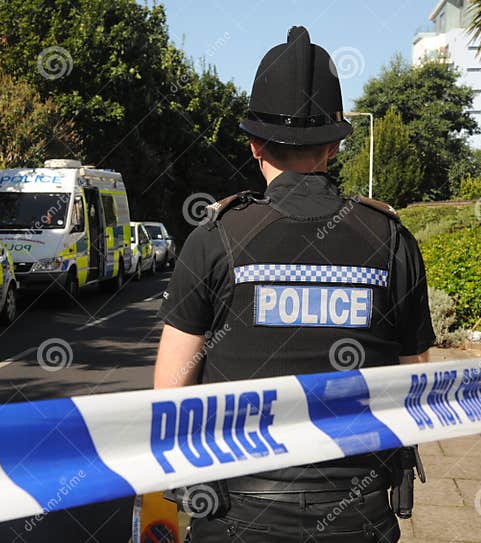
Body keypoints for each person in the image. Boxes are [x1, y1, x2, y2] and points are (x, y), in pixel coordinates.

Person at [154, 26, 435, 542]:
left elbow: (170, 393)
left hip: (234, 512)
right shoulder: (391, 240)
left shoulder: (215, 239)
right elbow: (415, 386)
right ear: (332, 146)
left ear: (255, 143)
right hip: (357, 513)